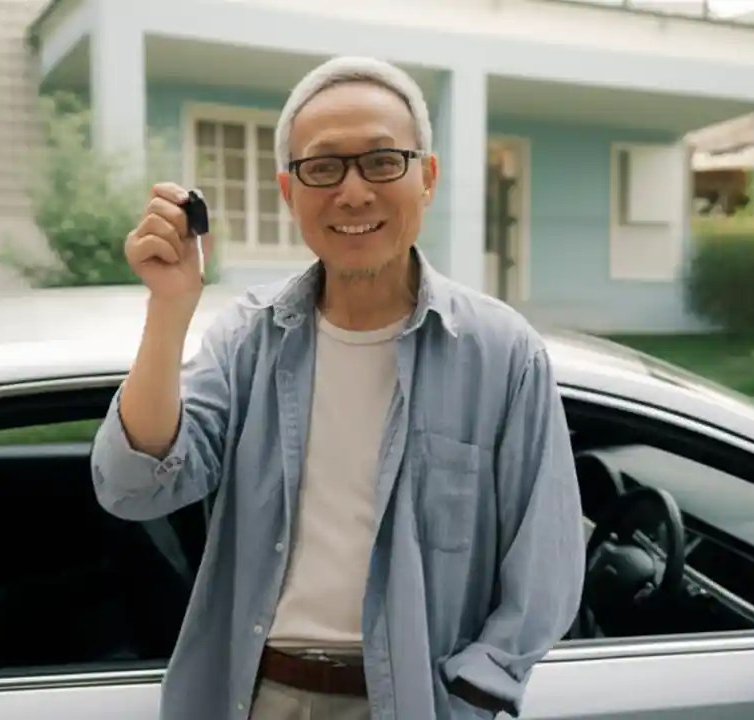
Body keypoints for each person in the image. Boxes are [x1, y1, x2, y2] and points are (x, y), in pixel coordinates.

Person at [90, 55, 585, 720]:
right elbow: (135, 487)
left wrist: (472, 693)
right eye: (323, 167)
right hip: (255, 698)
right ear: (289, 191)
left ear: (428, 177)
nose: (353, 193)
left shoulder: (503, 354)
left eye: (383, 161)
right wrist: (171, 308)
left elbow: (546, 564)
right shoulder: (248, 340)